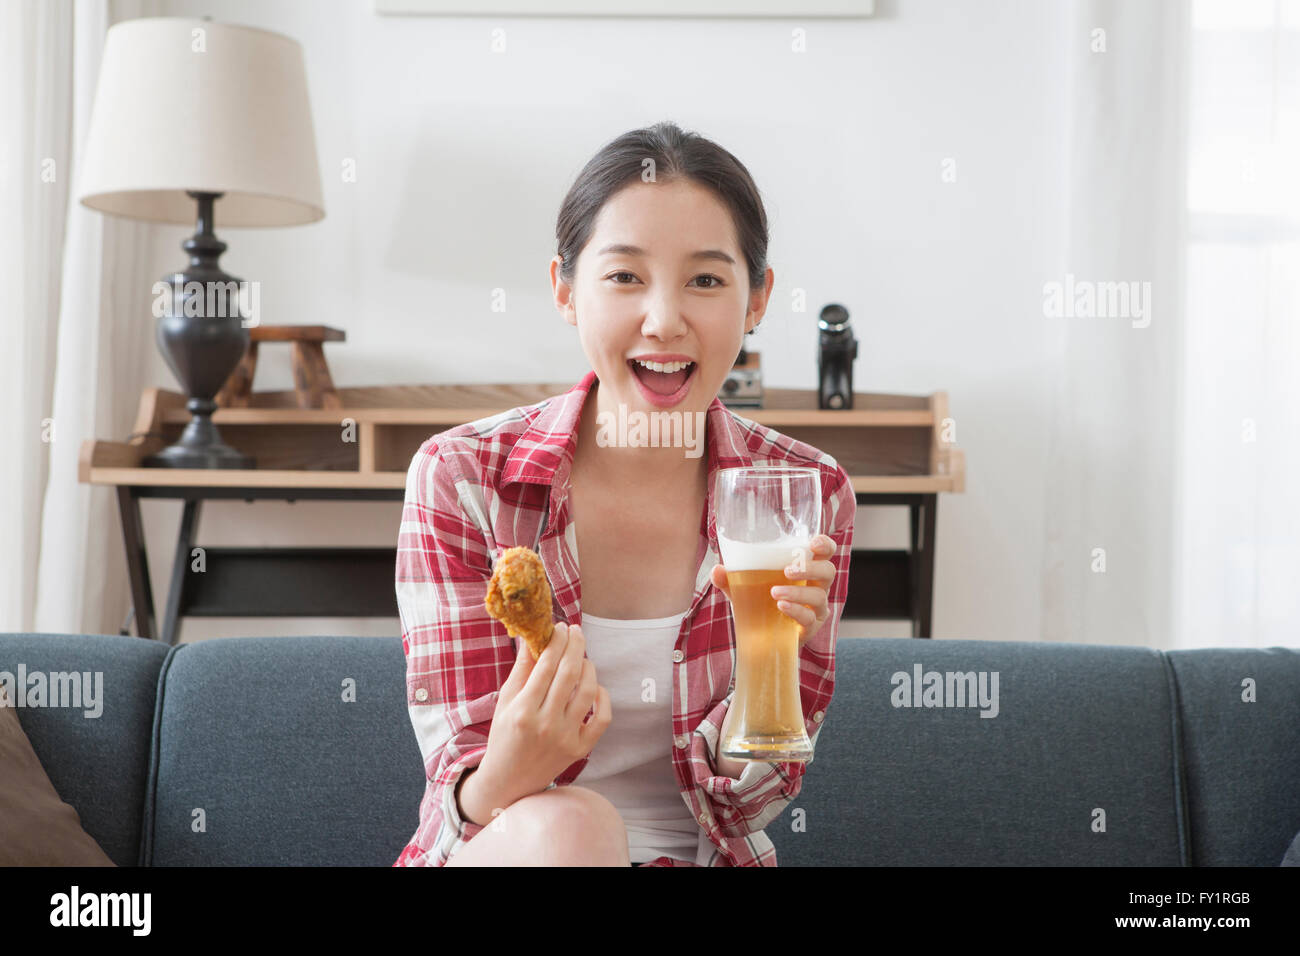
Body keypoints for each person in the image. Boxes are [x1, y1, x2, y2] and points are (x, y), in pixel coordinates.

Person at [393, 120, 856, 867]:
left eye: (706, 279)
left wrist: (771, 660)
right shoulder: (463, 478)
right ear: (565, 291)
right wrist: (516, 760)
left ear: (758, 298)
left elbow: (750, 805)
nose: (665, 320)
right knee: (570, 829)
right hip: (515, 847)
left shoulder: (806, 495)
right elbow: (465, 795)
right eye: (624, 276)